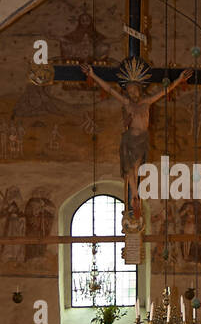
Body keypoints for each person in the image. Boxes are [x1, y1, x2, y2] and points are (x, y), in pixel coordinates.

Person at [81, 63, 192, 216]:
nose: (131, 93)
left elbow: (165, 90)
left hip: (141, 139)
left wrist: (179, 80)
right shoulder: (126, 103)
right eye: (129, 91)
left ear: (139, 90)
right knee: (128, 169)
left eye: (134, 90)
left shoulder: (147, 102)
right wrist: (92, 75)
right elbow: (109, 89)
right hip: (129, 139)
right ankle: (135, 196)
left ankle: (135, 195)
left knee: (136, 168)